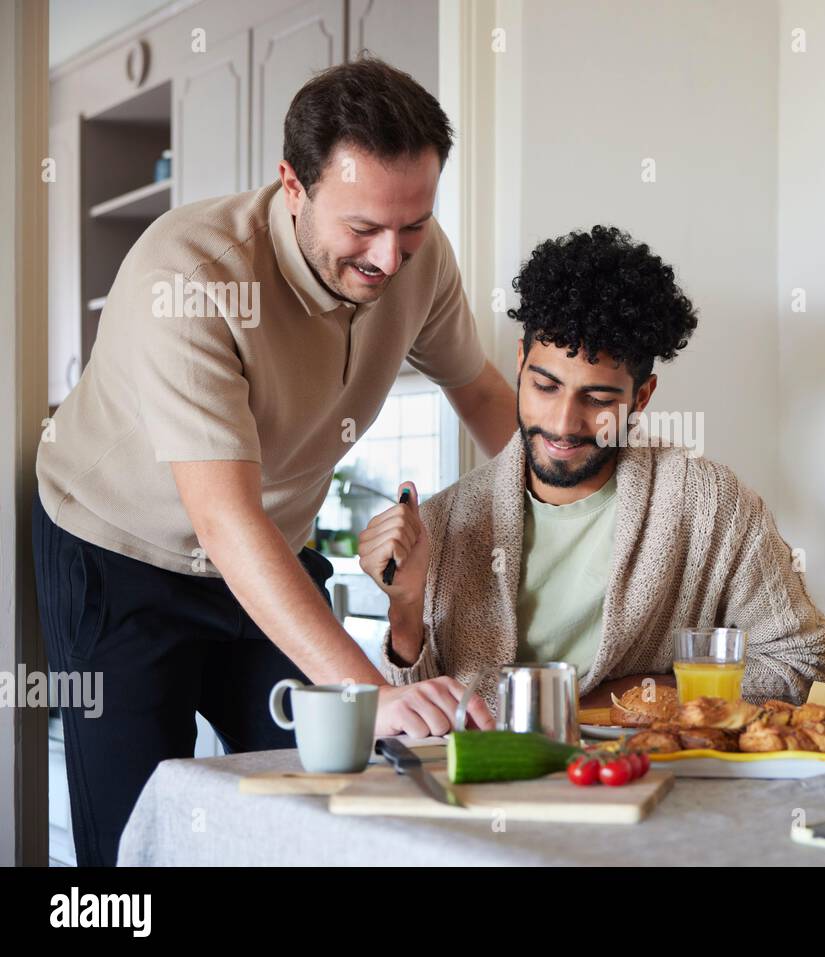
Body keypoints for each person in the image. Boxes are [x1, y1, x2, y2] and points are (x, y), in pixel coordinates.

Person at [33, 58, 506, 867]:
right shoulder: (193, 277)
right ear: (293, 184)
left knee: (333, 799)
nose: (391, 259)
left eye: (414, 225)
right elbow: (223, 518)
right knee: (135, 837)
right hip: (122, 554)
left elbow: (483, 392)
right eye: (362, 228)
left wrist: (596, 506)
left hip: (269, 551)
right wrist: (373, 691)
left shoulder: (416, 260)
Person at [359, 225, 825, 713]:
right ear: (521, 363)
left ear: (642, 397)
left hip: (649, 776)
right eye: (546, 387)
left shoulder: (712, 506)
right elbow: (413, 712)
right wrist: (406, 604)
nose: (564, 424)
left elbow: (804, 662)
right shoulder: (443, 522)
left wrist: (645, 692)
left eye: (597, 398)